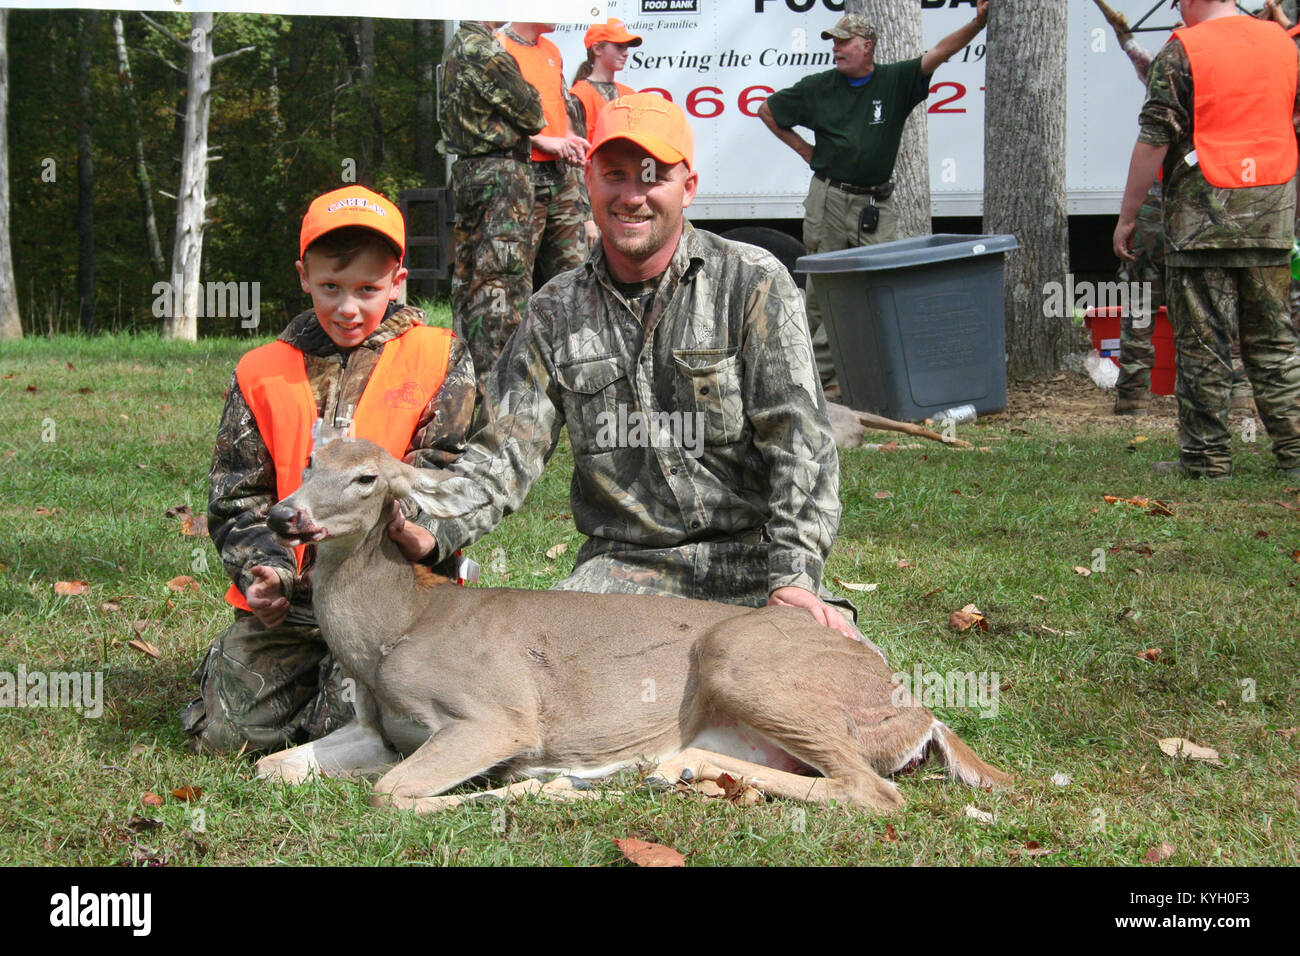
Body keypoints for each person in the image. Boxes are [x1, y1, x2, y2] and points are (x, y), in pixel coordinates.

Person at [400, 93, 877, 650]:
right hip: (620, 574)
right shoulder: (553, 313)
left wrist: (795, 578)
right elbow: (502, 456)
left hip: (755, 566)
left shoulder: (753, 282)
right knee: (540, 674)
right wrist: (430, 525)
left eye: (653, 176)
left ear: (688, 187)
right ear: (588, 182)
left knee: (837, 684)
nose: (632, 195)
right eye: (615, 175)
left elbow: (801, 443)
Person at [181, 185, 476, 754]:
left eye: (368, 289)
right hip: (292, 607)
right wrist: (263, 572)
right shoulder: (261, 370)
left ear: (398, 281)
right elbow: (237, 497)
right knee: (226, 739)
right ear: (304, 277)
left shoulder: (439, 356)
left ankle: (330, 703)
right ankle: (262, 675)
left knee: (359, 734)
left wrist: (422, 532)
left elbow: (448, 472)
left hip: (391, 601)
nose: (348, 308)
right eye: (331, 288)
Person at [758, 4, 989, 396]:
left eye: (843, 42)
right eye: (833, 42)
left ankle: (863, 376)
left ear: (867, 46)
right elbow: (768, 111)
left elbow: (941, 52)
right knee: (823, 294)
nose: (836, 49)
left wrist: (977, 23)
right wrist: (806, 152)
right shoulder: (818, 87)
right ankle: (806, 380)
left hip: (875, 207)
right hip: (830, 201)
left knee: (881, 286)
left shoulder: (894, 82)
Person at [1113, 0, 1300, 479]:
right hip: (1271, 215)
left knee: (1202, 344)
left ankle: (1206, 460)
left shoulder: (1182, 50)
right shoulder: (1283, 44)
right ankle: (1295, 454)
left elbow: (1155, 136)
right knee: (1276, 342)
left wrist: (1128, 215)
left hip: (1202, 221)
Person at [438, 20, 545, 381]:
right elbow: (533, 114)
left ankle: (464, 378)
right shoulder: (485, 51)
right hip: (501, 176)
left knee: (470, 280)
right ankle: (495, 385)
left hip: (470, 171)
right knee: (501, 282)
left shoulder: (458, 45)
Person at [498, 22, 598, 292]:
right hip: (520, 179)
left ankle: (569, 321)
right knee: (513, 276)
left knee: (575, 275)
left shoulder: (551, 49)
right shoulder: (499, 47)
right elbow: (492, 116)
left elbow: (561, 104)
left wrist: (568, 138)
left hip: (561, 180)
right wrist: (540, 140)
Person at [570, 18, 642, 143]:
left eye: (626, 47)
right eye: (619, 46)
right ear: (597, 49)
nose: (626, 53)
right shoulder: (578, 96)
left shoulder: (629, 94)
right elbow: (575, 147)